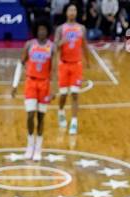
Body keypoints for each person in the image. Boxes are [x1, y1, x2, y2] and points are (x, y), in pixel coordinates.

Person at [11, 20, 53, 161]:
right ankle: (29, 145)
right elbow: (20, 64)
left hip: (44, 84)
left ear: (48, 31)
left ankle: (38, 148)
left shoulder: (51, 47)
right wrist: (15, 84)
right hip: (31, 82)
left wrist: (54, 89)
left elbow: (54, 70)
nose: (42, 32)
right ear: (36, 30)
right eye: (40, 29)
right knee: (30, 115)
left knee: (41, 118)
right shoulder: (29, 45)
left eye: (44, 29)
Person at [55, 4, 85, 134]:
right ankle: (61, 111)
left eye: (74, 10)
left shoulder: (81, 28)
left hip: (76, 64)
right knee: (63, 94)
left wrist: (88, 61)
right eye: (70, 10)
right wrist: (62, 42)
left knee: (74, 94)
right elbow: (55, 46)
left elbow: (84, 45)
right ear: (66, 13)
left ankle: (74, 122)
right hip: (64, 64)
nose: (72, 12)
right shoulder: (60, 29)